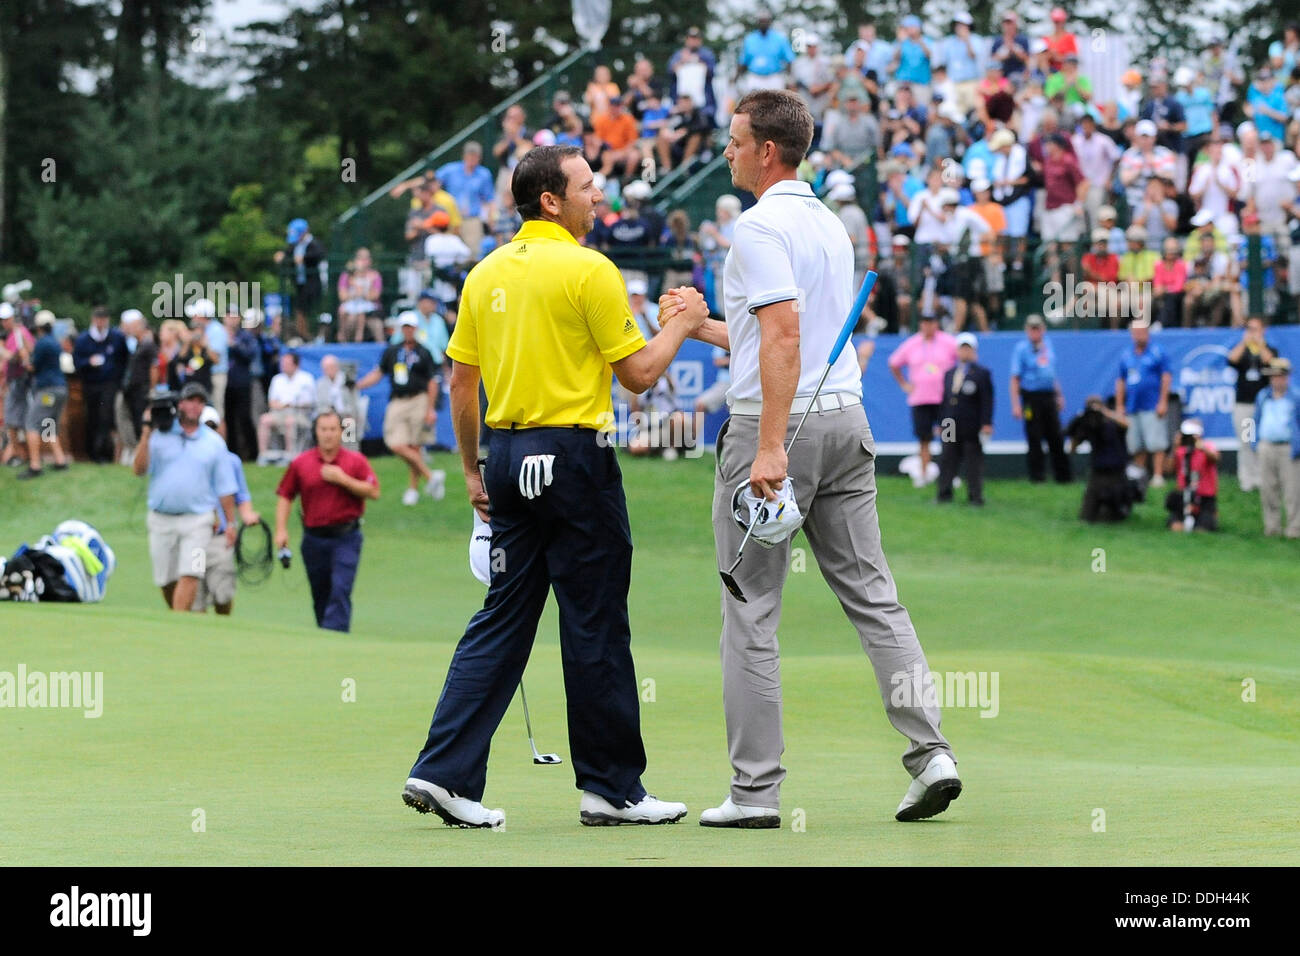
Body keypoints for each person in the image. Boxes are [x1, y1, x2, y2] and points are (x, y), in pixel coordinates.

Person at [667, 90, 959, 829]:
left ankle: (755, 794)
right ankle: (932, 755)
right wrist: (704, 327)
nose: (726, 151)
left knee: (750, 612)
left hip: (779, 433)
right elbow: (777, 341)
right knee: (874, 596)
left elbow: (787, 338)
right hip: (846, 422)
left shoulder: (757, 226)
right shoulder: (829, 224)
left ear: (768, 150)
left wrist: (767, 446)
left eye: (735, 141)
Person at [402, 144, 704, 829]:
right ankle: (612, 789)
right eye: (588, 188)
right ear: (551, 199)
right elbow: (638, 375)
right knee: (593, 620)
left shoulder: (483, 274)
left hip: (507, 457)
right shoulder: (589, 269)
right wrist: (682, 324)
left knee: (503, 617)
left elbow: (461, 382)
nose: (598, 198)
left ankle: (442, 773)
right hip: (574, 458)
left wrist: (473, 468)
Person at [133, 382, 238, 611]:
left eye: (200, 401)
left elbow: (225, 487)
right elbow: (139, 469)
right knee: (165, 579)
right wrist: (146, 430)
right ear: (180, 404)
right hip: (161, 519)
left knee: (192, 571)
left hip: (199, 521)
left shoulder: (214, 443)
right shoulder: (159, 435)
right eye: (190, 400)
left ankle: (179, 624)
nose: (194, 406)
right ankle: (179, 617)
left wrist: (230, 522)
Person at [274, 409, 379, 631]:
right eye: (323, 429)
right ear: (316, 432)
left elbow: (373, 491)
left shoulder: (355, 461)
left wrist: (343, 479)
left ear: (341, 432)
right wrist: (281, 530)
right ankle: (325, 635)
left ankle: (336, 637)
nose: (328, 434)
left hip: (346, 536)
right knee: (320, 591)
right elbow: (285, 495)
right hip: (313, 538)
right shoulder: (302, 463)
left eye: (333, 429)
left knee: (340, 588)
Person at [356, 314, 443, 506]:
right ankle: (431, 476)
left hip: (418, 398)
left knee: (415, 445)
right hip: (398, 399)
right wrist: (359, 385)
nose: (408, 331)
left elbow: (432, 381)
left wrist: (430, 408)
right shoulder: (392, 351)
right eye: (405, 327)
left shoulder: (424, 352)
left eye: (411, 327)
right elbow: (379, 372)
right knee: (395, 442)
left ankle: (413, 490)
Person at [192, 405, 260, 614]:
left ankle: (222, 629)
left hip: (221, 538)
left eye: (214, 427)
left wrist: (247, 514)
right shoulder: (189, 459)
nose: (211, 433)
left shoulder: (231, 461)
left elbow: (242, 496)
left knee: (223, 593)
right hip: (194, 537)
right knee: (195, 594)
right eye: (206, 427)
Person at [889, 314, 958, 487]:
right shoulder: (912, 343)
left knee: (948, 437)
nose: (928, 326)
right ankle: (924, 473)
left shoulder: (948, 342)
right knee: (924, 438)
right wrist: (904, 384)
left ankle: (950, 474)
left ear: (937, 324)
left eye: (932, 322)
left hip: (945, 399)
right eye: (925, 323)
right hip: (920, 399)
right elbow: (894, 363)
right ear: (921, 324)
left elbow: (963, 359)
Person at [1010, 314, 1071, 483]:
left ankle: (1063, 476)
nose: (1035, 332)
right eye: (1032, 329)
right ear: (1027, 330)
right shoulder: (1021, 349)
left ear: (1043, 330)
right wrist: (1016, 404)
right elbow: (1015, 378)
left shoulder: (1048, 346)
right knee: (1034, 435)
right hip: (1030, 397)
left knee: (1056, 435)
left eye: (1038, 328)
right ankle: (1037, 476)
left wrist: (1059, 395)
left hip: (1048, 395)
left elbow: (1051, 374)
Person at [936, 332, 993, 505]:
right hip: (949, 423)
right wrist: (941, 422)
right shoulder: (949, 373)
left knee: (973, 460)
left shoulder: (981, 373)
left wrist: (986, 423)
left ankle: (975, 496)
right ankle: (944, 493)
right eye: (962, 348)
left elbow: (987, 400)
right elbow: (944, 399)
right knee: (947, 458)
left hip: (971, 424)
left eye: (968, 349)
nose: (965, 352)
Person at [1115, 321, 1172, 487]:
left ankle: (1158, 476)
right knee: (1136, 444)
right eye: (1136, 331)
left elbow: (1166, 377)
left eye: (1142, 331)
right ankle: (1140, 476)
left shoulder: (1157, 351)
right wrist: (1120, 405)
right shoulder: (1126, 354)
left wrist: (1162, 401)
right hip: (1133, 406)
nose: (1139, 334)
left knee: (1156, 443)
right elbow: (1120, 380)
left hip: (1152, 404)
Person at [17, 310, 70, 479]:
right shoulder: (54, 342)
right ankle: (60, 460)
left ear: (38, 327)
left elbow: (33, 367)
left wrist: (25, 358)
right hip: (60, 390)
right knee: (50, 425)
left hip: (48, 392)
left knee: (31, 423)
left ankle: (35, 465)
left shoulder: (42, 343)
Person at [1227, 317, 1279, 492]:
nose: (1252, 332)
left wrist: (1260, 343)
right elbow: (1231, 359)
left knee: (1263, 442)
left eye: (1255, 329)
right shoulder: (1243, 351)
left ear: (1263, 330)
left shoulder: (1268, 349)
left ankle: (1262, 478)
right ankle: (1247, 479)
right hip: (1244, 404)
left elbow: (1270, 362)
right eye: (1249, 328)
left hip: (1263, 406)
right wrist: (1245, 342)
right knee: (1246, 441)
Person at [72, 305, 128, 464]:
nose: (101, 323)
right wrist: (88, 363)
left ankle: (103, 452)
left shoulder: (116, 337)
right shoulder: (83, 339)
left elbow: (124, 359)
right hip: (91, 382)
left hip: (110, 382)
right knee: (92, 417)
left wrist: (119, 378)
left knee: (105, 417)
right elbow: (77, 361)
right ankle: (91, 452)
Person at [1066, 396, 1135, 522]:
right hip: (1097, 473)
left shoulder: (1113, 423)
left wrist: (1105, 412)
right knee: (1086, 516)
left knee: (1114, 514)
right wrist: (1079, 426)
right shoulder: (1089, 425)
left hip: (1117, 472)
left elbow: (1127, 424)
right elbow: (1073, 449)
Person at [1252, 358, 1300, 538]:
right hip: (1266, 446)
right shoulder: (1263, 396)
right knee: (1268, 489)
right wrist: (1253, 443)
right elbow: (1252, 420)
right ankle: (1272, 528)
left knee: (1292, 490)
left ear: (1286, 377)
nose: (1277, 380)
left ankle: (1294, 529)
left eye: (1280, 376)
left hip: (1288, 448)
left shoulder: (1295, 397)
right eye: (1273, 377)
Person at [257, 351, 316, 464]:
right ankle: (263, 455)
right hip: (279, 413)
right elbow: (272, 402)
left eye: (287, 363)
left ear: (296, 365)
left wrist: (291, 405)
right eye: (282, 363)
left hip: (300, 414)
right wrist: (281, 406)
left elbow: (310, 403)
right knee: (264, 419)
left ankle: (289, 456)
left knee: (290, 421)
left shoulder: (306, 379)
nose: (283, 366)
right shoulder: (277, 379)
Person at [273, 219, 326, 340]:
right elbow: (287, 253)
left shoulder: (314, 244)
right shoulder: (295, 245)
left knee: (309, 309)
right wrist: (280, 255)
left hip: (312, 283)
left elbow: (319, 254)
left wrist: (304, 258)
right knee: (300, 309)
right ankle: (303, 335)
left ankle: (315, 335)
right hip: (300, 284)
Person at [1164, 418, 1220, 532]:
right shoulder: (1180, 451)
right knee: (1176, 528)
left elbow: (1216, 458)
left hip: (1204, 497)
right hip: (1184, 496)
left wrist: (1202, 447)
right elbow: (1168, 470)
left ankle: (1210, 516)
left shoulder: (1207, 446)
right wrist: (1175, 447)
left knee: (1202, 530)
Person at [117, 309, 156, 465]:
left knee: (142, 423)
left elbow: (154, 368)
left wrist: (152, 389)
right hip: (133, 390)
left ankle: (143, 456)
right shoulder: (137, 343)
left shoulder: (148, 343)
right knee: (134, 421)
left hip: (142, 389)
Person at [1, 302, 34, 468]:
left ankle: (23, 455)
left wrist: (3, 352)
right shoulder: (13, 334)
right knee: (13, 422)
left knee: (17, 421)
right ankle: (21, 455)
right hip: (15, 382)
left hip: (21, 383)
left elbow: (22, 356)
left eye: (5, 319)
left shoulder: (19, 333)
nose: (3, 323)